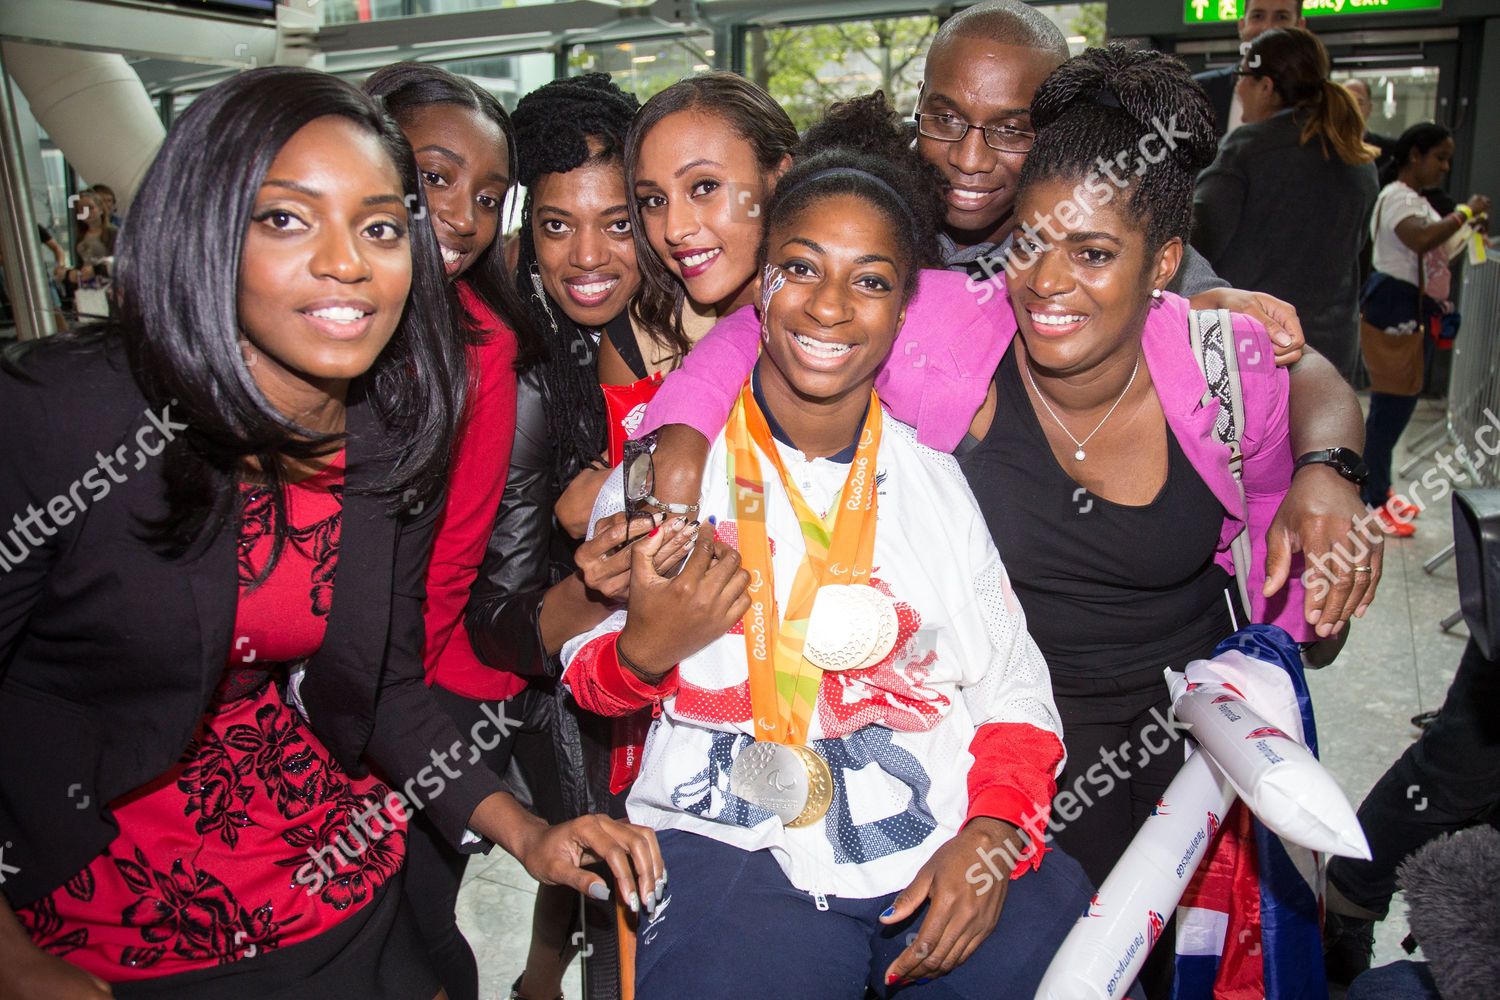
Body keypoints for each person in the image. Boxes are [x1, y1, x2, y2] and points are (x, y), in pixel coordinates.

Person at [0, 67, 660, 999]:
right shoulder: (63, 415)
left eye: (381, 227)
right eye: (286, 218)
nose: (347, 262)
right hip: (105, 893)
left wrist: (528, 833)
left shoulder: (388, 423)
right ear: (204, 226)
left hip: (322, 856)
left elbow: (379, 680)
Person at [561, 93, 1107, 1000]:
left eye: (871, 282)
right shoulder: (669, 474)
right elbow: (584, 670)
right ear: (761, 286)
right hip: (729, 838)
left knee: (1059, 959)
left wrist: (990, 837)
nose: (829, 306)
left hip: (929, 831)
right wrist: (644, 651)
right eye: (801, 269)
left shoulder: (932, 480)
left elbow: (1012, 686)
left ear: (903, 310)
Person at [644, 1, 1381, 652]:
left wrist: (1329, 469)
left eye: (1009, 130)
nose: (968, 158)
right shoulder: (882, 220)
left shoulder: (1112, 224)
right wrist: (678, 439)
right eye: (945, 118)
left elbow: (1282, 371)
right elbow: (767, 325)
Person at [463, 72, 699, 1000]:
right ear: (527, 229)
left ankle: (535, 981)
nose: (587, 254)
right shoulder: (515, 362)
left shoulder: (673, 325)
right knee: (603, 859)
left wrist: (610, 498)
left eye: (617, 222)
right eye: (558, 224)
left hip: (672, 648)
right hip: (557, 668)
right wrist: (590, 553)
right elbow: (502, 616)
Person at [361, 62, 550, 1000]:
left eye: (488, 197)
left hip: (422, 684)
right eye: (436, 177)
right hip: (308, 697)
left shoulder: (482, 340)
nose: (464, 218)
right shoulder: (320, 322)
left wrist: (387, 711)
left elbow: (454, 556)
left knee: (418, 925)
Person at [1193, 27, 1379, 379]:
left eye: (1241, 77)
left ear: (1265, 86)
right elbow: (1360, 257)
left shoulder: (1246, 149)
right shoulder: (1357, 156)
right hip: (1331, 354)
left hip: (1258, 347)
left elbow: (1197, 242)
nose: (1237, 88)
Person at [1358, 122, 1489, 536]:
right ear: (1415, 155)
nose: (1445, 167)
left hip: (1409, 306)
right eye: (1440, 158)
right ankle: (1371, 499)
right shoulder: (1397, 196)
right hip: (1394, 304)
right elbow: (1419, 239)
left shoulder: (1415, 199)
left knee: (1398, 406)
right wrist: (1464, 212)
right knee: (1389, 410)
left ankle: (1380, 488)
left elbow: (1437, 249)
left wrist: (1464, 232)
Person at [626, 71, 798, 355]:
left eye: (705, 186)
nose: (674, 230)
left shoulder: (853, 320)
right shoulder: (640, 342)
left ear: (779, 178)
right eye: (655, 200)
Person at [1193, 0, 1307, 141]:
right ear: (1242, 25)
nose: (1267, 28)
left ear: (1300, 27)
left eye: (1281, 17)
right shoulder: (1195, 93)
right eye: (1257, 16)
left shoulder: (1317, 99)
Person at [1343, 78, 1396, 168]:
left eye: (1359, 102)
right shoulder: (1325, 149)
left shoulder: (1389, 150)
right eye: (1347, 101)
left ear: (1370, 108)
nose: (1352, 108)